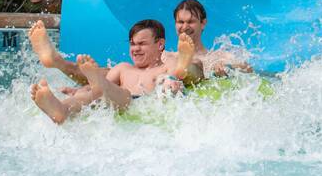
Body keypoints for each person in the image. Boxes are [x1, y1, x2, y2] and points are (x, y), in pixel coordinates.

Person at [28, 19, 199, 124]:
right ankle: (60, 110)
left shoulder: (163, 66)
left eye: (142, 44)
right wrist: (79, 91)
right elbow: (94, 90)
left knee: (120, 94)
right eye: (132, 44)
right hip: (114, 99)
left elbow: (172, 79)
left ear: (160, 44)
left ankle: (184, 64)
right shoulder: (123, 68)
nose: (136, 49)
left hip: (140, 104)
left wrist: (176, 74)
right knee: (90, 95)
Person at [170, 0, 254, 76]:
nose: (185, 27)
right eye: (180, 22)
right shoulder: (167, 57)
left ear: (203, 23)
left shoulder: (218, 57)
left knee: (193, 67)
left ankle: (186, 68)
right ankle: (185, 68)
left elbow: (249, 69)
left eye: (191, 22)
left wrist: (228, 67)